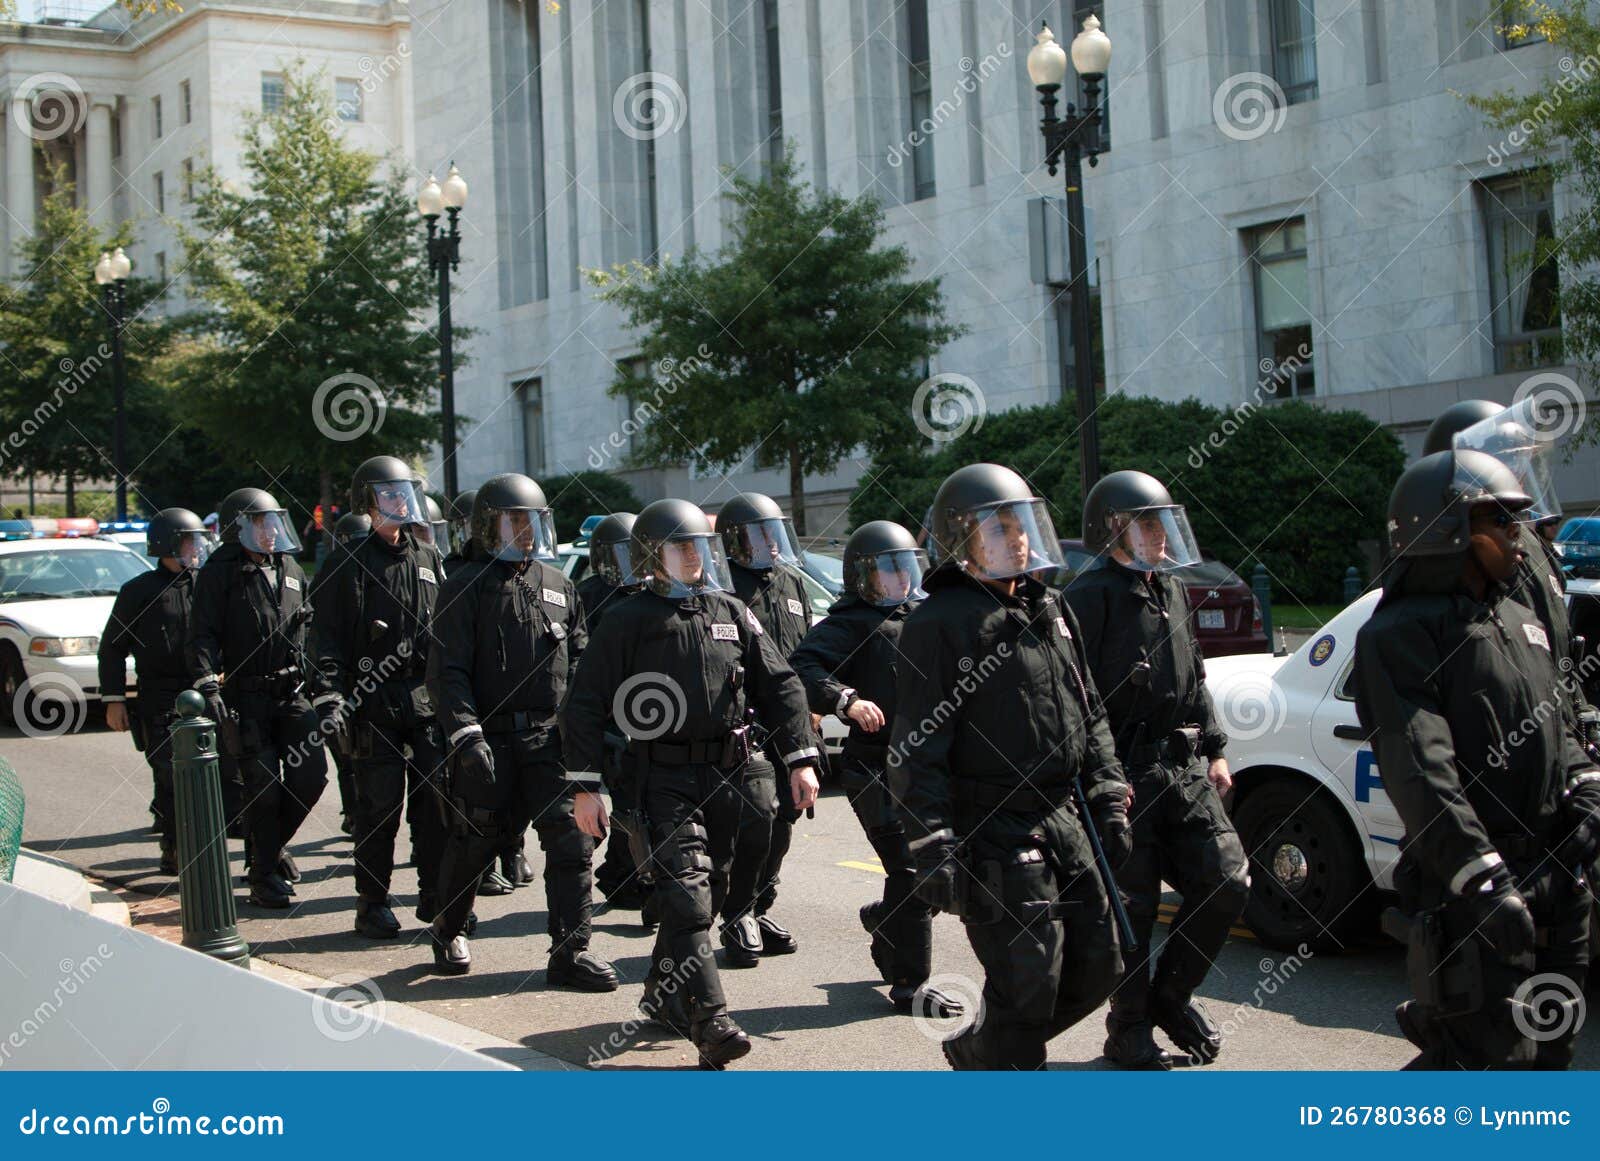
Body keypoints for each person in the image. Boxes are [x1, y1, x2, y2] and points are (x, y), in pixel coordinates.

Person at [1355, 449, 1596, 1069]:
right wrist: (1479, 874)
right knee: (1482, 1063)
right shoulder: (1398, 634)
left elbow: (1559, 721)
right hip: (1474, 890)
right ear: (1449, 528)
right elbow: (1419, 765)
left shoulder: (1521, 620)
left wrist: (1587, 784)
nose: (1523, 537)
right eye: (1503, 523)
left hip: (1557, 877)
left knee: (1550, 1054)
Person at [561, 498, 821, 1068]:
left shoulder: (728, 608)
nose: (694, 557)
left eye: (701, 546)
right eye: (682, 546)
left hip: (732, 772)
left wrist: (801, 759)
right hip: (661, 775)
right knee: (687, 891)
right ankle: (711, 1021)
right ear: (653, 555)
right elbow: (583, 706)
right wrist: (587, 786)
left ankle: (661, 989)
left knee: (716, 888)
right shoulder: (626, 619)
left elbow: (781, 684)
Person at [890, 463, 1130, 1070]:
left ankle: (984, 1050)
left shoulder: (1050, 609)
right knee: (1029, 979)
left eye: (1021, 525)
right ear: (961, 542)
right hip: (992, 826)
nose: (1017, 540)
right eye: (999, 530)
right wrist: (930, 841)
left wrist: (1107, 790)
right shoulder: (936, 624)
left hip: (1064, 815)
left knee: (1103, 961)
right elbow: (917, 746)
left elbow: (1089, 708)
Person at [1065, 471, 1249, 1068]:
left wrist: (1215, 748)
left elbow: (1192, 672)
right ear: (1113, 529)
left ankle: (1172, 996)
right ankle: (1129, 1029)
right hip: (1123, 772)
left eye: (1163, 523)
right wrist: (1099, 782)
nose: (1161, 536)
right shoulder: (1087, 598)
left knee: (1227, 878)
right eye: (1148, 524)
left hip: (1181, 768)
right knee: (1134, 909)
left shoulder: (1166, 586)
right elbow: (1073, 697)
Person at [425, 473, 615, 988]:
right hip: (488, 740)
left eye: (531, 521)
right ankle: (448, 926)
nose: (525, 531)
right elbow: (448, 671)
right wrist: (465, 733)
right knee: (478, 840)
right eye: (514, 521)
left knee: (573, 840)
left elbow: (581, 665)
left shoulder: (558, 586)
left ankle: (570, 950)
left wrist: (585, 733)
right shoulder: (463, 586)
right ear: (489, 526)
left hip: (548, 740)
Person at [791, 519, 962, 1018]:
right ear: (864, 576)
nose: (901, 579)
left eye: (907, 567)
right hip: (877, 768)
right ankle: (913, 986)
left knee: (940, 870)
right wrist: (846, 699)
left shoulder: (929, 617)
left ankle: (886, 920)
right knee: (909, 870)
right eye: (889, 570)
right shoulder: (849, 623)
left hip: (933, 767)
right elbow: (803, 668)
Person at [314, 457, 448, 939]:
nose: (399, 502)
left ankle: (437, 896)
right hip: (372, 701)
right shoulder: (345, 563)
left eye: (402, 493)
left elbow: (446, 633)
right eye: (388, 495)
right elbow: (325, 639)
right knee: (379, 810)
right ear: (367, 504)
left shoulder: (427, 558)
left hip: (425, 699)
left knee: (437, 803)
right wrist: (330, 697)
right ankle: (371, 901)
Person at [189, 487, 327, 909]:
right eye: (259, 523)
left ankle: (267, 849)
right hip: (246, 696)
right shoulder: (219, 573)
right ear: (238, 529)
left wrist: (325, 684)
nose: (269, 532)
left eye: (272, 523)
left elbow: (310, 628)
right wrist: (206, 682)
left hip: (291, 694)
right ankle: (263, 873)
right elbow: (202, 634)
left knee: (311, 775)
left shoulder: (288, 567)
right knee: (263, 788)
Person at [716, 492, 813, 965]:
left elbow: (809, 651)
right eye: (758, 535)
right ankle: (735, 915)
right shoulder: (723, 585)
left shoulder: (792, 583)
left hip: (791, 723)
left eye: (774, 533)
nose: (769, 545)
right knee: (755, 823)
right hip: (747, 725)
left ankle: (758, 905)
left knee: (786, 821)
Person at [98, 508, 212, 875]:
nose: (195, 547)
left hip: (207, 694)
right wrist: (114, 699)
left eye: (198, 540)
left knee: (215, 778)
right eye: (187, 540)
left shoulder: (209, 585)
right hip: (159, 698)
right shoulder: (139, 591)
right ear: (166, 544)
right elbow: (112, 647)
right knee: (171, 775)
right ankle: (175, 848)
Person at [578, 513, 655, 923]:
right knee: (589, 801)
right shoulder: (586, 596)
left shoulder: (650, 595)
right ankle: (589, 882)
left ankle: (624, 874)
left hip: (641, 712)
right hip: (599, 713)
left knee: (633, 801)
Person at [311, 511, 372, 836]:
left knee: (356, 761)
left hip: (369, 682)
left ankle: (357, 813)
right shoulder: (331, 576)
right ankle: (354, 812)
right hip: (341, 682)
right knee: (346, 758)